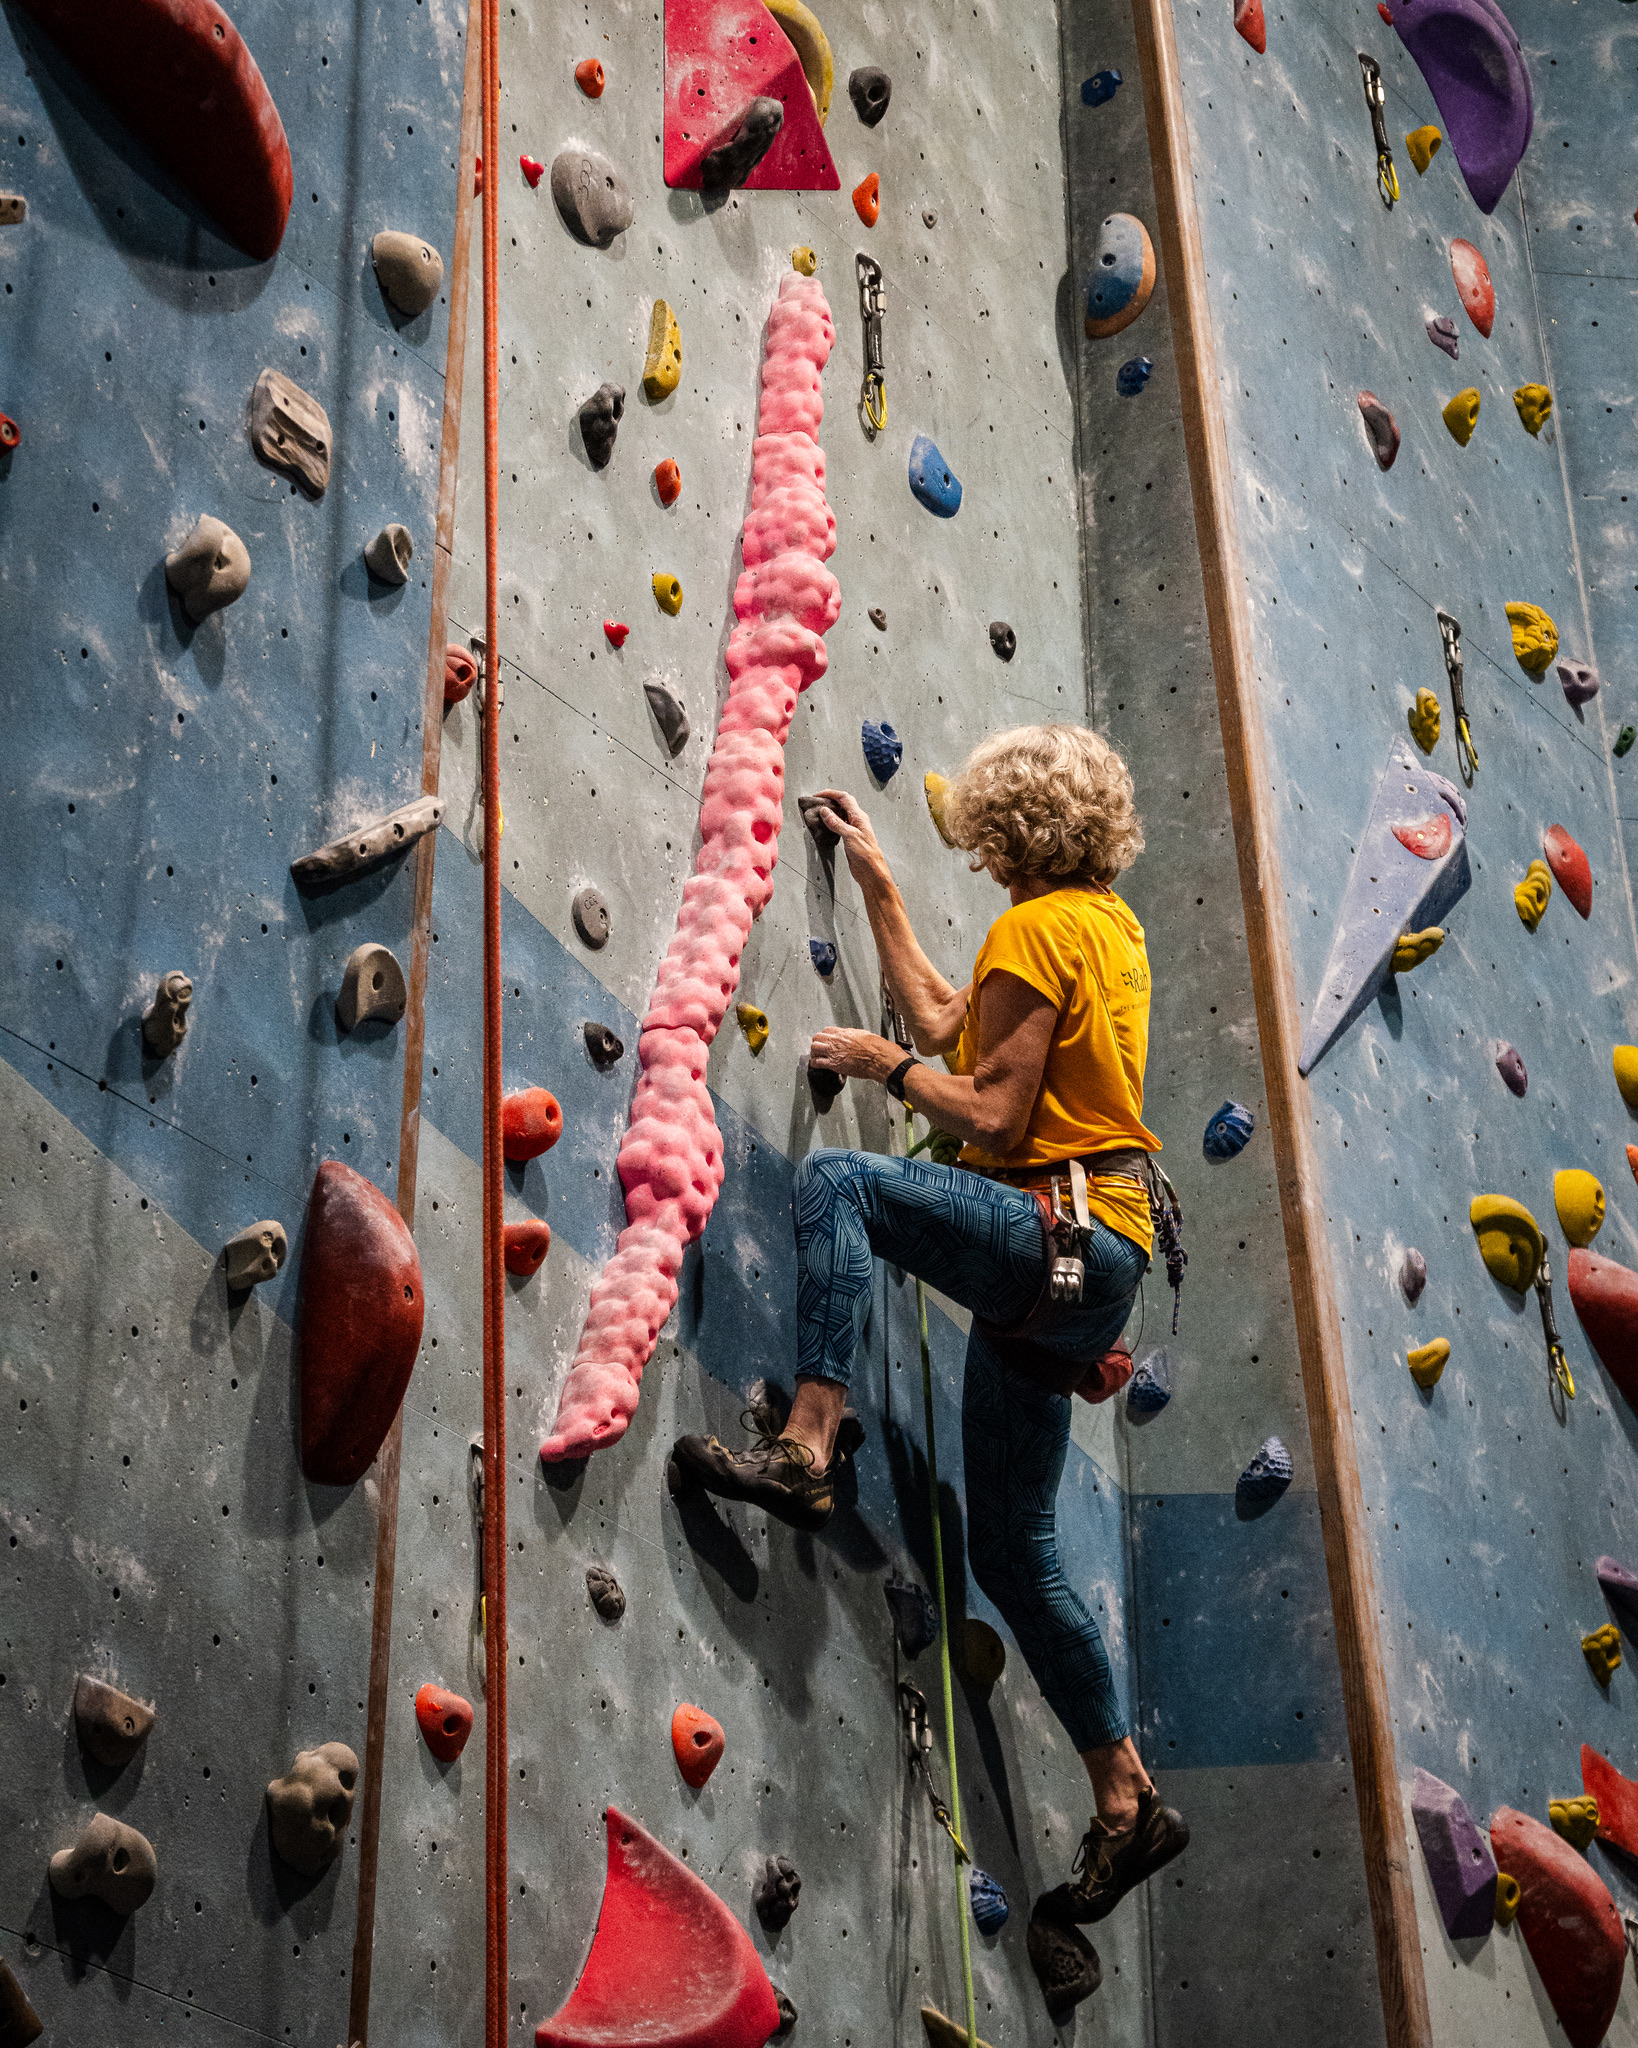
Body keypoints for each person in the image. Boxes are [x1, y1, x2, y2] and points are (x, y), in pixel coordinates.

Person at [668, 723, 1187, 1930]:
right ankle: (1124, 1795)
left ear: (1013, 827)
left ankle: (805, 1448)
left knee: (842, 1187)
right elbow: (963, 1022)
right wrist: (879, 885)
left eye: (984, 831)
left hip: (1053, 1237)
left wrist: (878, 1063)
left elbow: (989, 1113)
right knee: (1013, 1550)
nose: (978, 850)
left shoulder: (1037, 924)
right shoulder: (1107, 928)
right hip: (1090, 1269)